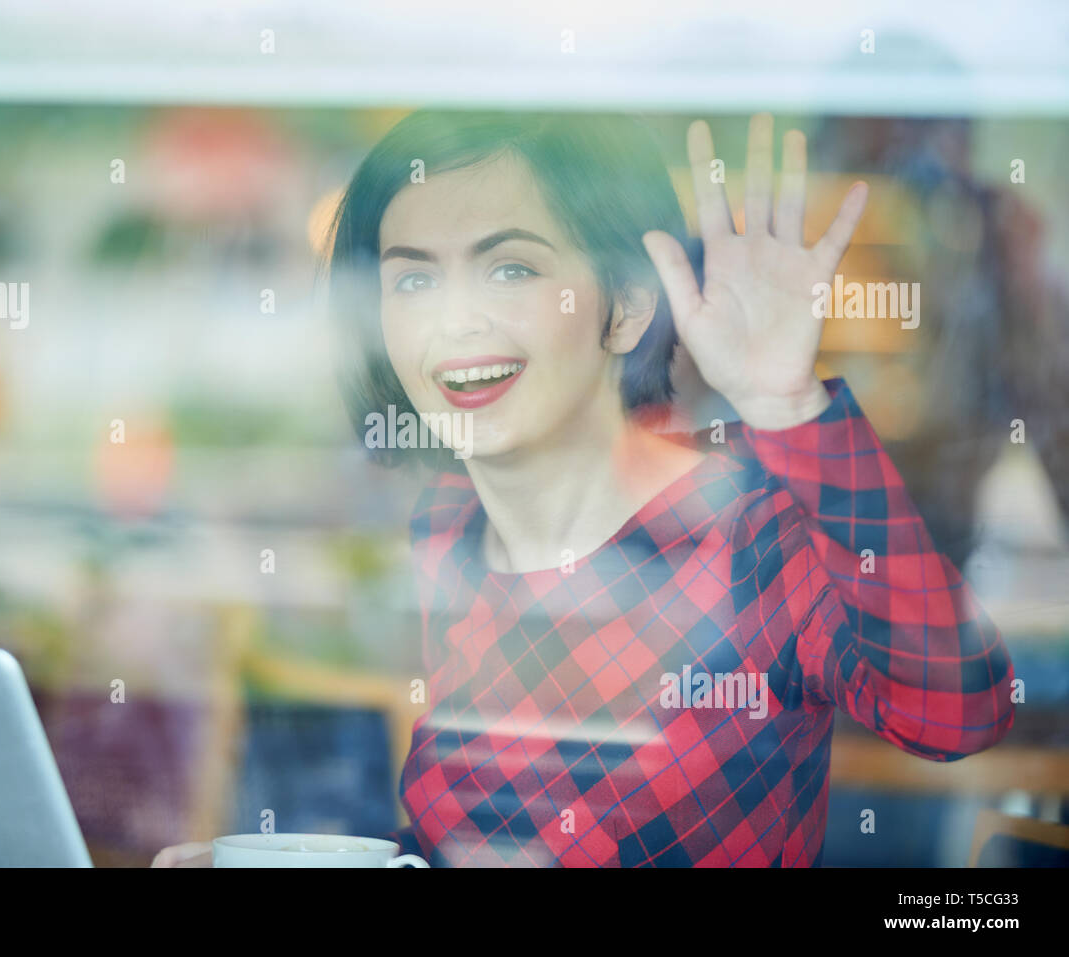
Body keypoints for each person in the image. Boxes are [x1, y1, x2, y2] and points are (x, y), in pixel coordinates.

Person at [155, 109, 1015, 868]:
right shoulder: (445, 530)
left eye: (511, 269)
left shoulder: (753, 530)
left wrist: (786, 405)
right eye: (413, 277)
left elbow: (956, 714)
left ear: (628, 307)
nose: (455, 321)